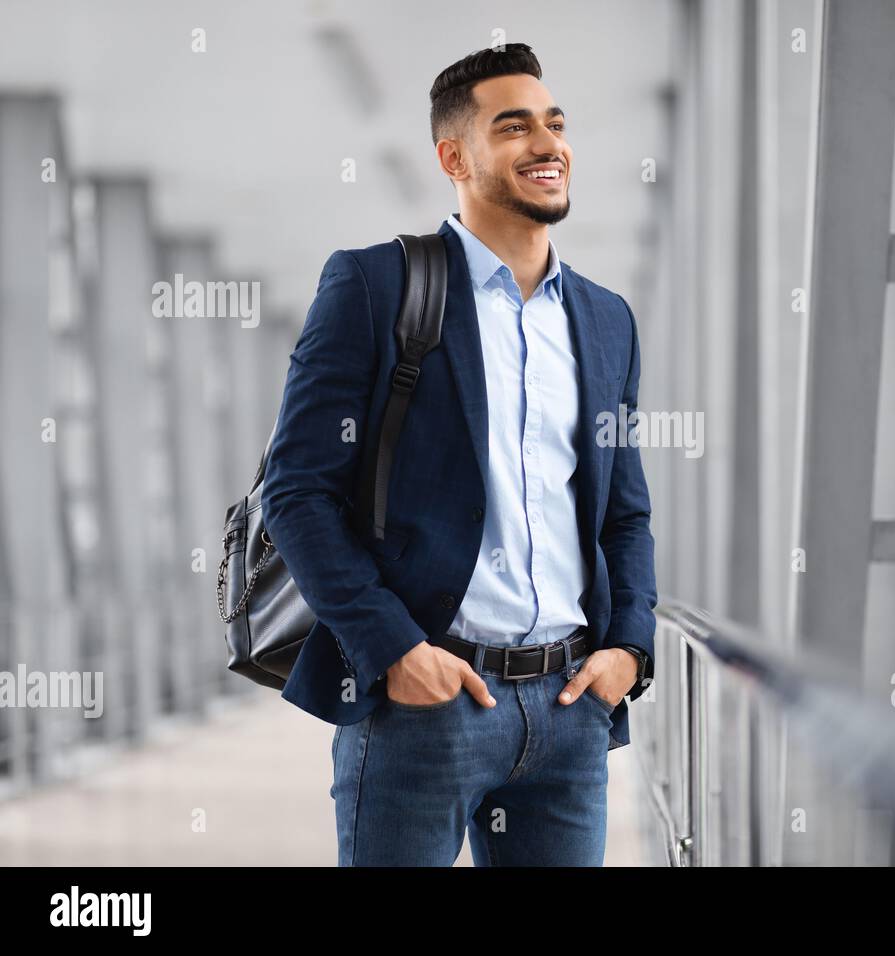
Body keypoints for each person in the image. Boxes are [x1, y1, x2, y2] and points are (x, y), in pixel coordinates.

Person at [260, 42, 657, 866]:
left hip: (572, 708)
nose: (547, 145)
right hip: (426, 706)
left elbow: (624, 510)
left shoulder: (605, 318)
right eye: (514, 128)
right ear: (454, 157)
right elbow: (297, 492)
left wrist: (630, 650)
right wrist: (394, 653)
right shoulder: (377, 287)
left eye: (555, 124)